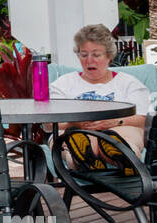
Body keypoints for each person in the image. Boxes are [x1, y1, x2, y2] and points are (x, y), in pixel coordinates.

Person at [50, 23, 150, 152]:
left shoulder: (128, 83)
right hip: (75, 133)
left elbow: (143, 119)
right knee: (74, 140)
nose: (89, 61)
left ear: (109, 56)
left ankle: (120, 154)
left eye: (96, 55)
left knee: (126, 137)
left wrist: (114, 122)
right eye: (84, 55)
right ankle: (84, 155)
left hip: (119, 132)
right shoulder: (63, 84)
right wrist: (75, 124)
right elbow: (48, 124)